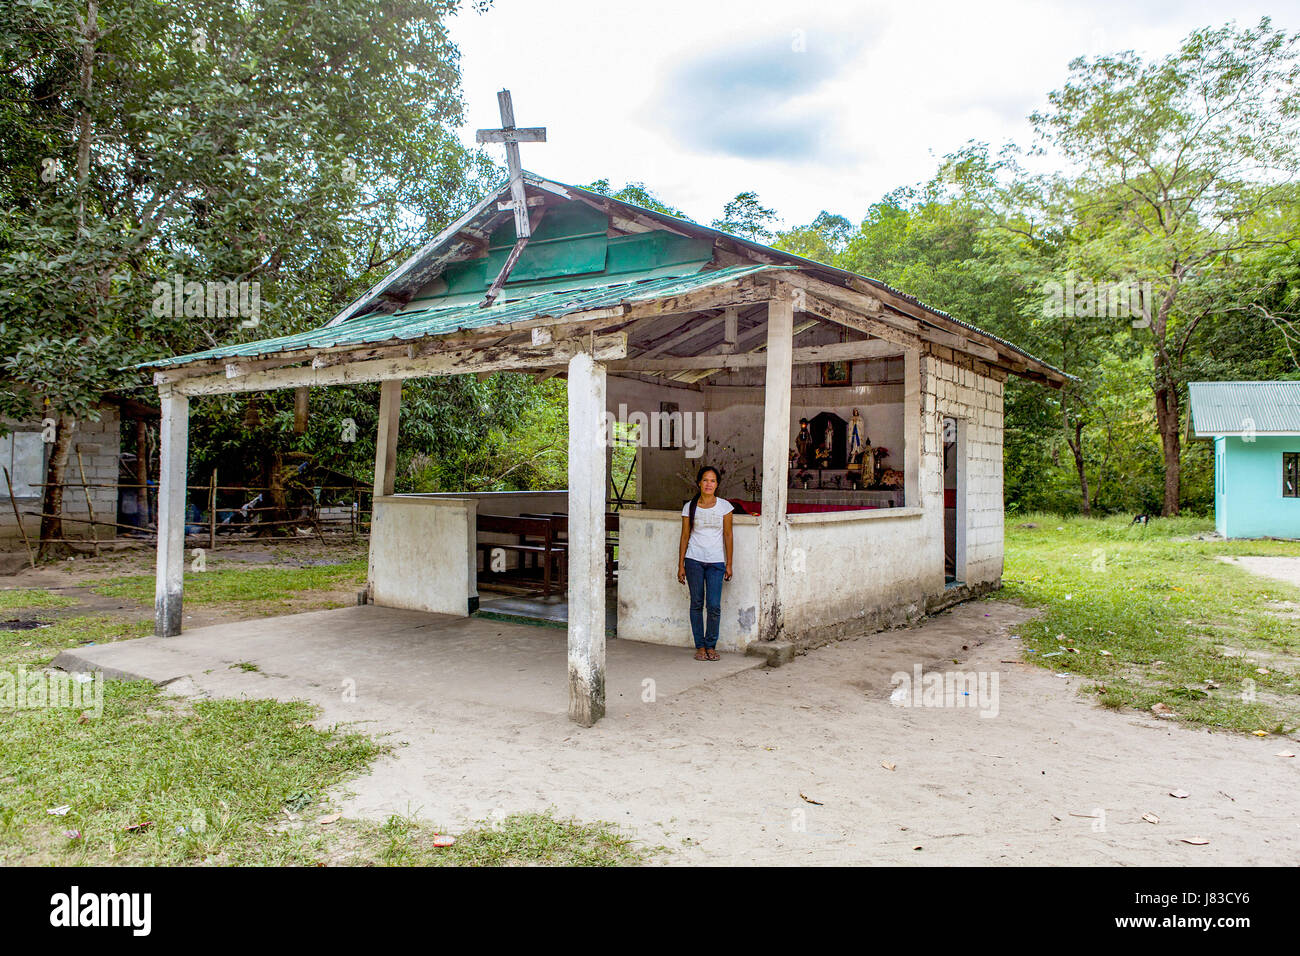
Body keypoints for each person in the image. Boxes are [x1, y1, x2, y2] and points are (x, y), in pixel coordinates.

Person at [677, 466, 733, 661]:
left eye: (713, 481)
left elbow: (728, 535)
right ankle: (700, 646)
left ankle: (711, 645)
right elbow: (685, 536)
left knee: (714, 605)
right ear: (699, 483)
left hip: (716, 561)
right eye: (705, 480)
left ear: (717, 484)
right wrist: (680, 564)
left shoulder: (724, 506)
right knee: (697, 603)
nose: (709, 484)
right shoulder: (689, 507)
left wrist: (729, 563)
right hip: (693, 560)